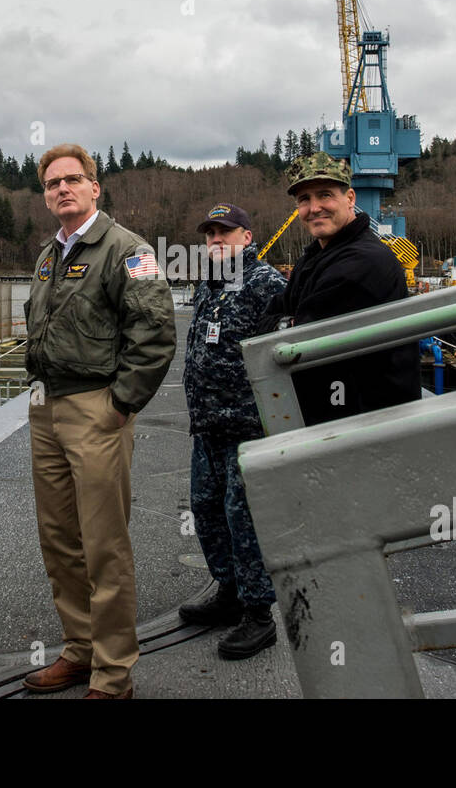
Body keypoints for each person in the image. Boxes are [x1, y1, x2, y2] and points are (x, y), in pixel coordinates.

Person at [22, 143, 176, 699]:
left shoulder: (126, 250)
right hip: (47, 408)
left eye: (72, 179)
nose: (61, 188)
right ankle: (79, 650)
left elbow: (155, 332)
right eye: (51, 183)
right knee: (60, 538)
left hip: (95, 408)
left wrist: (120, 405)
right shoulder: (48, 256)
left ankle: (113, 675)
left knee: (103, 543)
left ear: (94, 188)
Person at [178, 204, 287, 659]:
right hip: (208, 427)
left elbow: (282, 353)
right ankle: (227, 591)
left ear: (247, 236)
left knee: (245, 519)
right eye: (210, 234)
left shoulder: (269, 286)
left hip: (248, 426)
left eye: (225, 233)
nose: (216, 240)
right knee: (207, 510)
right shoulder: (209, 284)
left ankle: (259, 614)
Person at [262, 152, 420, 425]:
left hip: (365, 423)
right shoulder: (315, 257)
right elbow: (272, 315)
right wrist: (283, 322)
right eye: (304, 199)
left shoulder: (364, 260)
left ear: (350, 199)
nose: (314, 208)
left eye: (325, 195)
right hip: (332, 415)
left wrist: (280, 323)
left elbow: (304, 338)